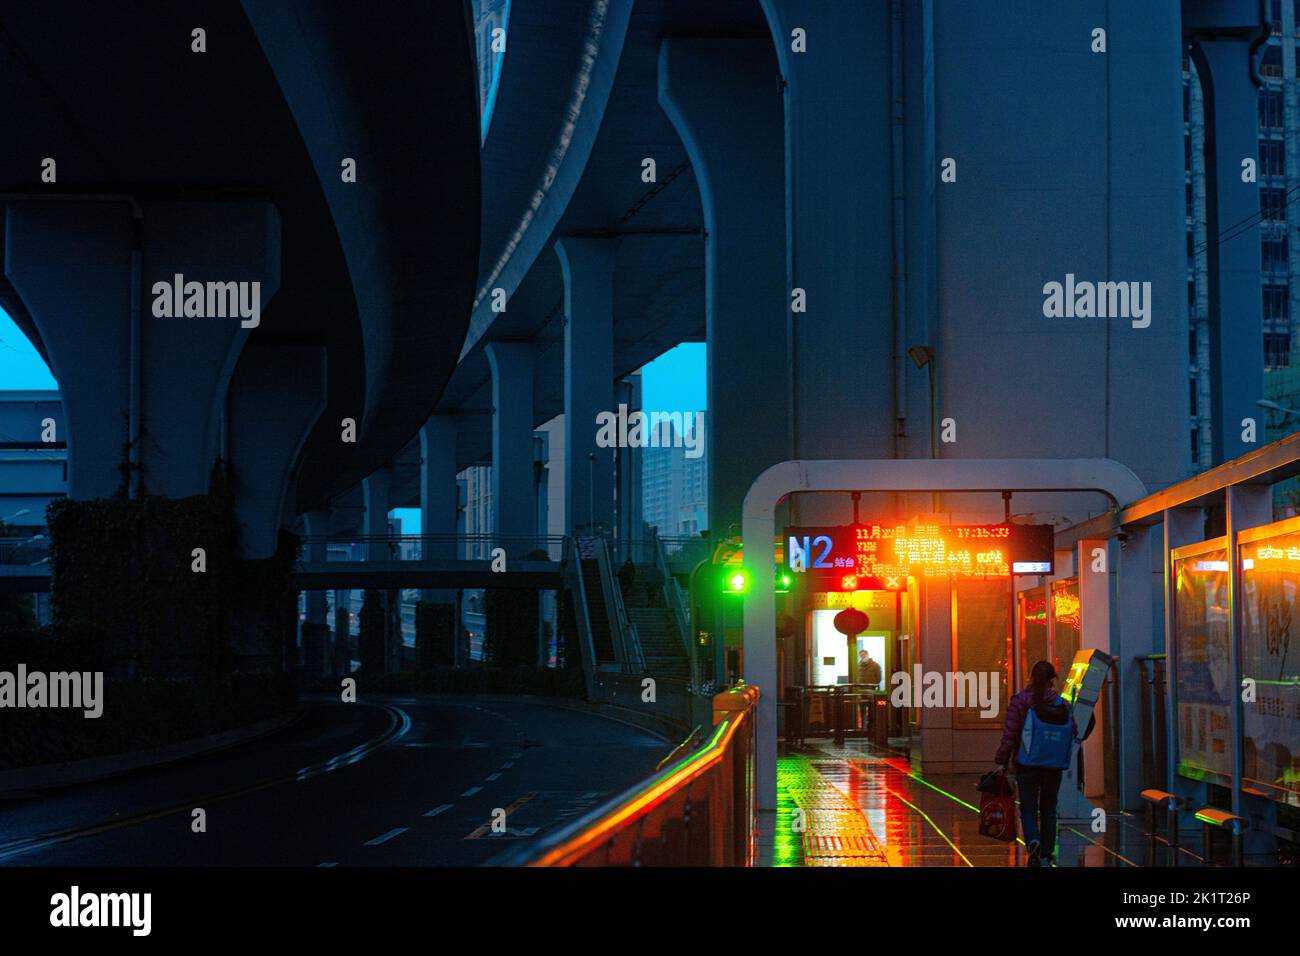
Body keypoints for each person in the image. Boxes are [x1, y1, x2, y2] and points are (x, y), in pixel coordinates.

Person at [992, 660, 1092, 867]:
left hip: (1027, 763)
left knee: (1028, 808)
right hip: (1053, 765)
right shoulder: (1062, 704)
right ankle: (1046, 852)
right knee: (1049, 808)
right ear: (1052, 681)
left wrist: (1002, 760)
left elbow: (1010, 734)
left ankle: (1033, 842)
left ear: (1031, 677)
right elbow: (1073, 731)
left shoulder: (1021, 701)